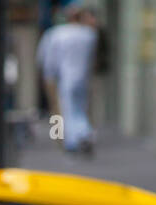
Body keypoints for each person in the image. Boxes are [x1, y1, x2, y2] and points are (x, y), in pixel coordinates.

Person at [37, 4, 99, 155]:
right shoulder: (89, 35)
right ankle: (83, 134)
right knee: (80, 108)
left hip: (61, 76)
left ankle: (71, 140)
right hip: (82, 77)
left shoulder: (57, 34)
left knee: (63, 109)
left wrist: (48, 76)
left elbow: (45, 58)